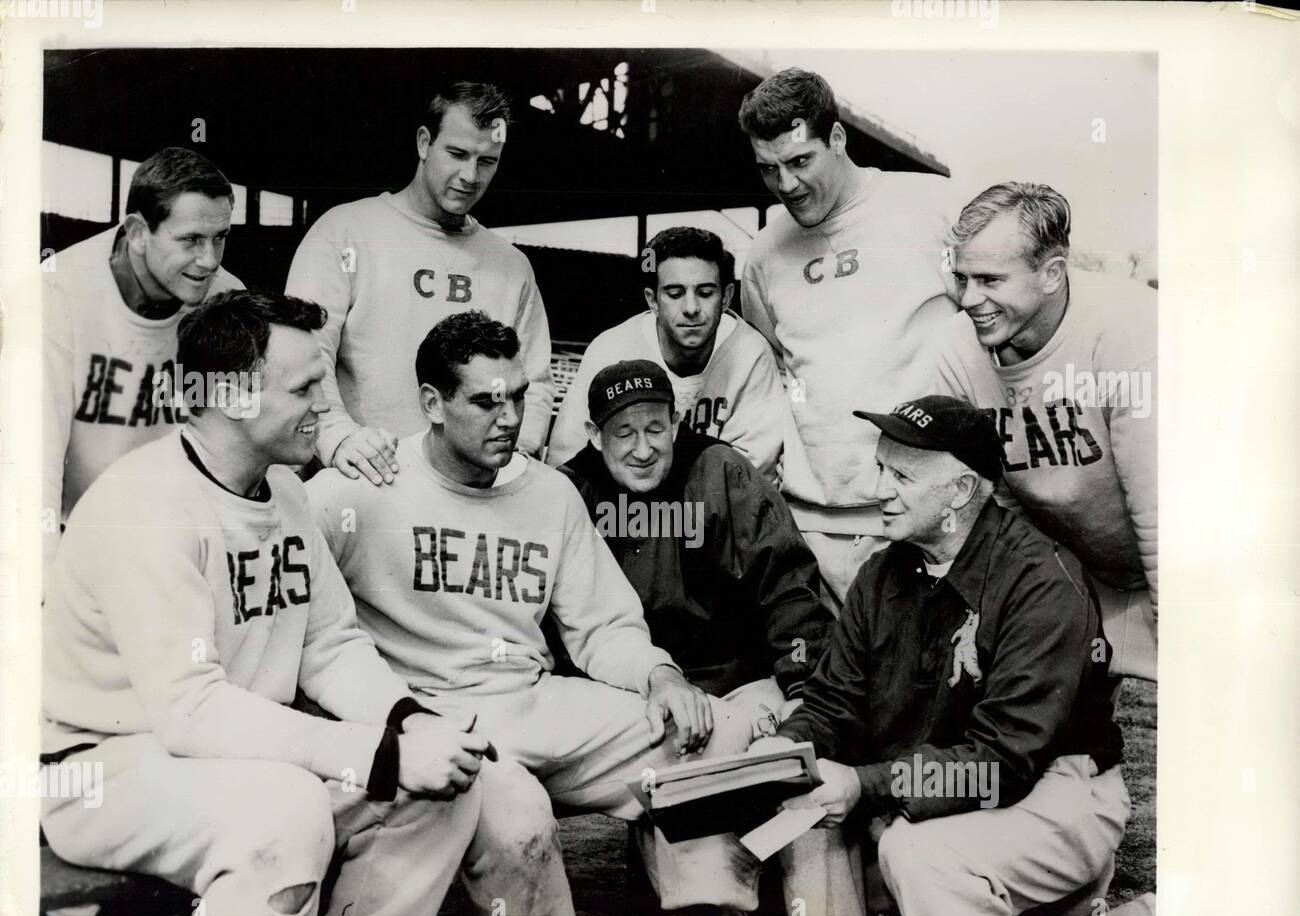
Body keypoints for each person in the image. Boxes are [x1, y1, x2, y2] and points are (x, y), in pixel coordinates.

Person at [40, 290, 514, 916]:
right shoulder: (145, 505)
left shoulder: (286, 491)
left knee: (445, 791)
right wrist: (379, 755)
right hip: (102, 765)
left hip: (236, 754)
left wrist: (412, 722)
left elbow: (329, 644)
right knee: (285, 812)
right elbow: (190, 711)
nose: (325, 405)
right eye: (305, 388)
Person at [306, 311, 763, 916]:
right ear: (432, 403)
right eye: (486, 402)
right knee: (521, 820)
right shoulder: (359, 490)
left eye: (517, 397)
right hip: (435, 722)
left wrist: (659, 674)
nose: (510, 418)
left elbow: (603, 625)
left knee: (718, 731)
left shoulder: (548, 493)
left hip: (530, 699)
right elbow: (299, 621)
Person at [756, 395, 1130, 916]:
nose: (879, 488)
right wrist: (784, 754)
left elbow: (999, 765)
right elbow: (833, 703)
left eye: (901, 475)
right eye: (881, 467)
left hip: (1056, 788)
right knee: (802, 808)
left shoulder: (1041, 583)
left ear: (959, 492)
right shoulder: (883, 572)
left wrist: (865, 784)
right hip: (939, 778)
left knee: (917, 854)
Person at [558, 359, 868, 916]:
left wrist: (805, 689)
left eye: (655, 428)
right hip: (639, 693)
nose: (644, 448)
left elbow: (788, 587)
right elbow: (566, 623)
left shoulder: (721, 470)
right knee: (679, 754)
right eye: (623, 432)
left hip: (745, 679)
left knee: (793, 771)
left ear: (675, 424)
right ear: (595, 436)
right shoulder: (572, 492)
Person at [737, 67, 961, 603]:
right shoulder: (765, 252)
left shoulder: (933, 208)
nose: (786, 185)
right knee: (825, 682)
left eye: (800, 162)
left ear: (836, 139)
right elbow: (775, 363)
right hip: (812, 525)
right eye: (769, 170)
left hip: (921, 518)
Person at [927, 182, 1157, 680]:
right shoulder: (954, 349)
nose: (969, 299)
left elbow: (1162, 512)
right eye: (961, 278)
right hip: (1081, 570)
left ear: (1051, 273)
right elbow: (994, 508)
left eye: (990, 280)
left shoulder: (1127, 328)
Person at [286, 80, 554, 485]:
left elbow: (533, 382)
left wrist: (516, 460)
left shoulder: (511, 265)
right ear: (424, 142)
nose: (470, 176)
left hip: (470, 497)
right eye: (457, 154)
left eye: (487, 161)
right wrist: (339, 439)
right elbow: (303, 352)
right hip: (364, 483)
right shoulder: (346, 232)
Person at [43, 146, 244, 576]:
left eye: (221, 237)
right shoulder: (59, 292)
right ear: (136, 232)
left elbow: (243, 439)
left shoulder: (226, 297)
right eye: (190, 239)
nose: (209, 260)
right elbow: (34, 461)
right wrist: (46, 589)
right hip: (80, 540)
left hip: (189, 544)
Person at [545, 226, 786, 477]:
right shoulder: (611, 349)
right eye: (674, 294)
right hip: (620, 508)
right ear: (653, 301)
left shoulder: (750, 353)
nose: (691, 308)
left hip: (711, 512)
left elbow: (744, 478)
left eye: (705, 293)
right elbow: (566, 462)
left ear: (726, 298)